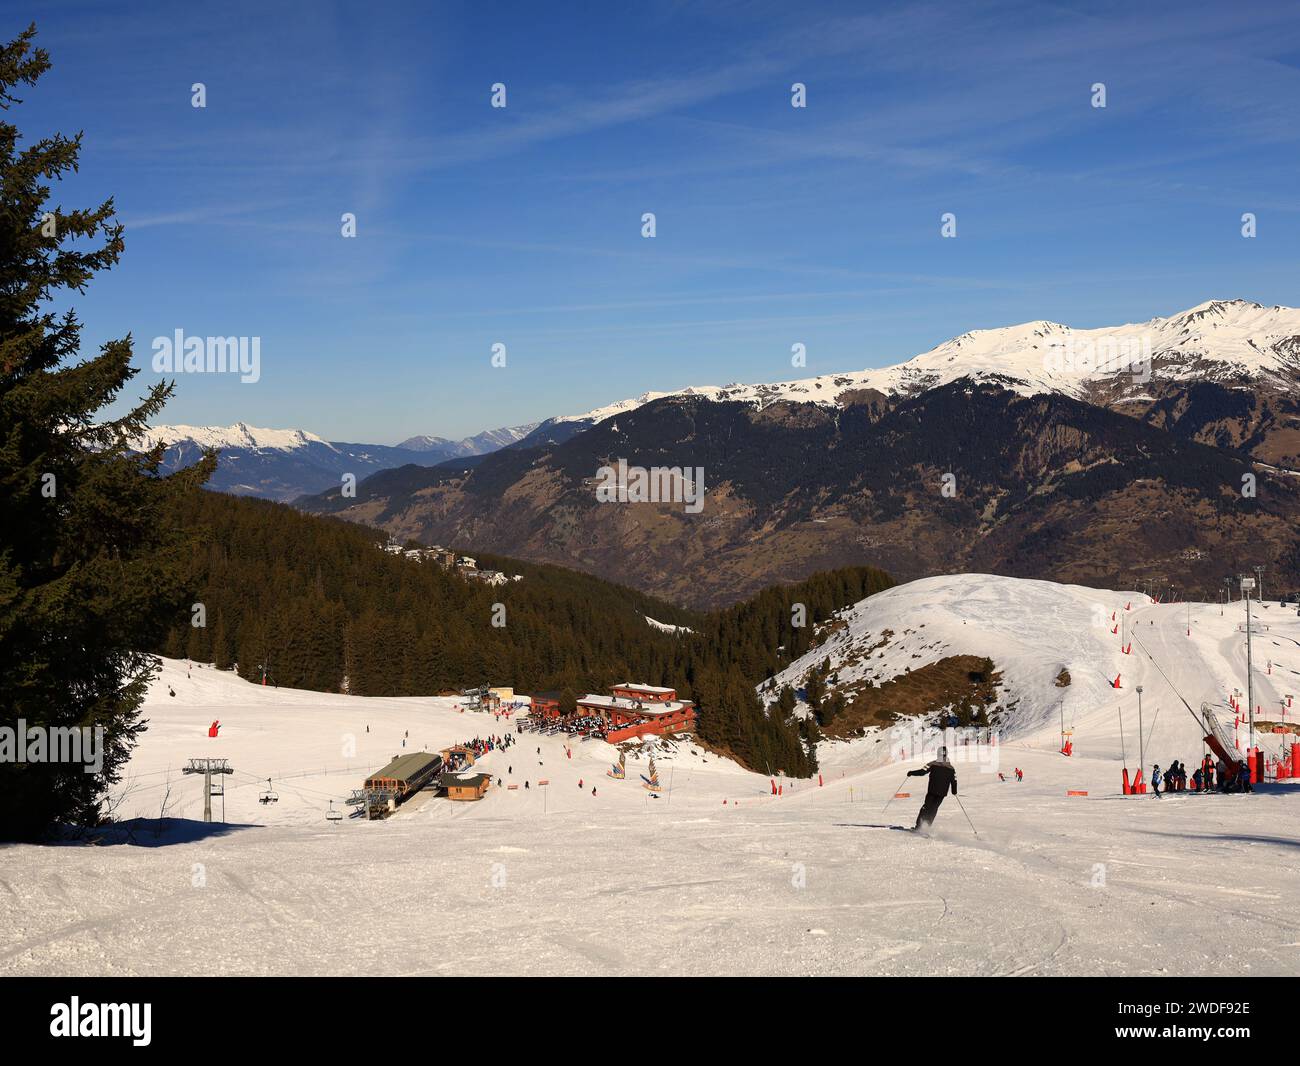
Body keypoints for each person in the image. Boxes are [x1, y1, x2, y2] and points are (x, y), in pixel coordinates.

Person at [907, 746, 958, 831]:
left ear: (938, 754)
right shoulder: (951, 768)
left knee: (926, 807)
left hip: (932, 791)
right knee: (934, 809)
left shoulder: (933, 764)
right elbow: (954, 781)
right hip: (942, 793)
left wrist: (911, 773)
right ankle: (926, 827)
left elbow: (922, 772)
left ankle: (918, 827)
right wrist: (954, 791)